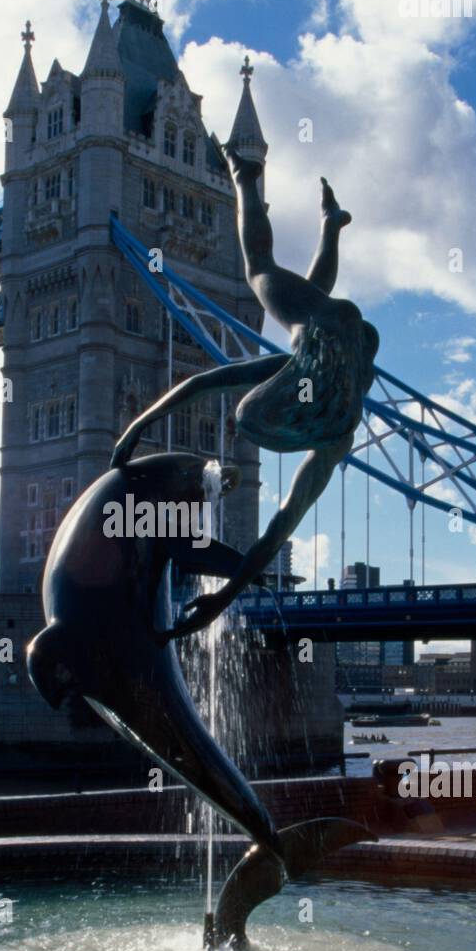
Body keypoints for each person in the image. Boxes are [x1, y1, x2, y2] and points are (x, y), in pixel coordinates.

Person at [112, 143, 379, 637]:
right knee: (266, 274)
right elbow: (281, 525)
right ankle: (251, 181)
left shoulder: (302, 368)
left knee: (267, 273)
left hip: (341, 331)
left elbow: (202, 381)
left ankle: (258, 184)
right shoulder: (336, 431)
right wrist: (225, 596)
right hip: (335, 337)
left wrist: (137, 425)